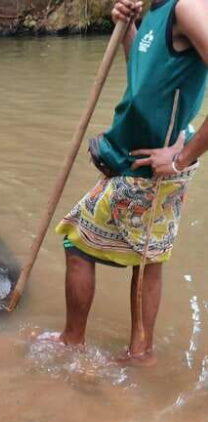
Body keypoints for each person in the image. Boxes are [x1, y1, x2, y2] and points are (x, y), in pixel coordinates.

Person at [52, 0, 208, 365]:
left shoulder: (186, 7)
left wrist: (182, 157)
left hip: (152, 168)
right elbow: (144, 80)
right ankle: (141, 352)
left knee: (76, 242)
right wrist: (128, 29)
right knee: (146, 258)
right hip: (135, 162)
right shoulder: (156, 12)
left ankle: (72, 343)